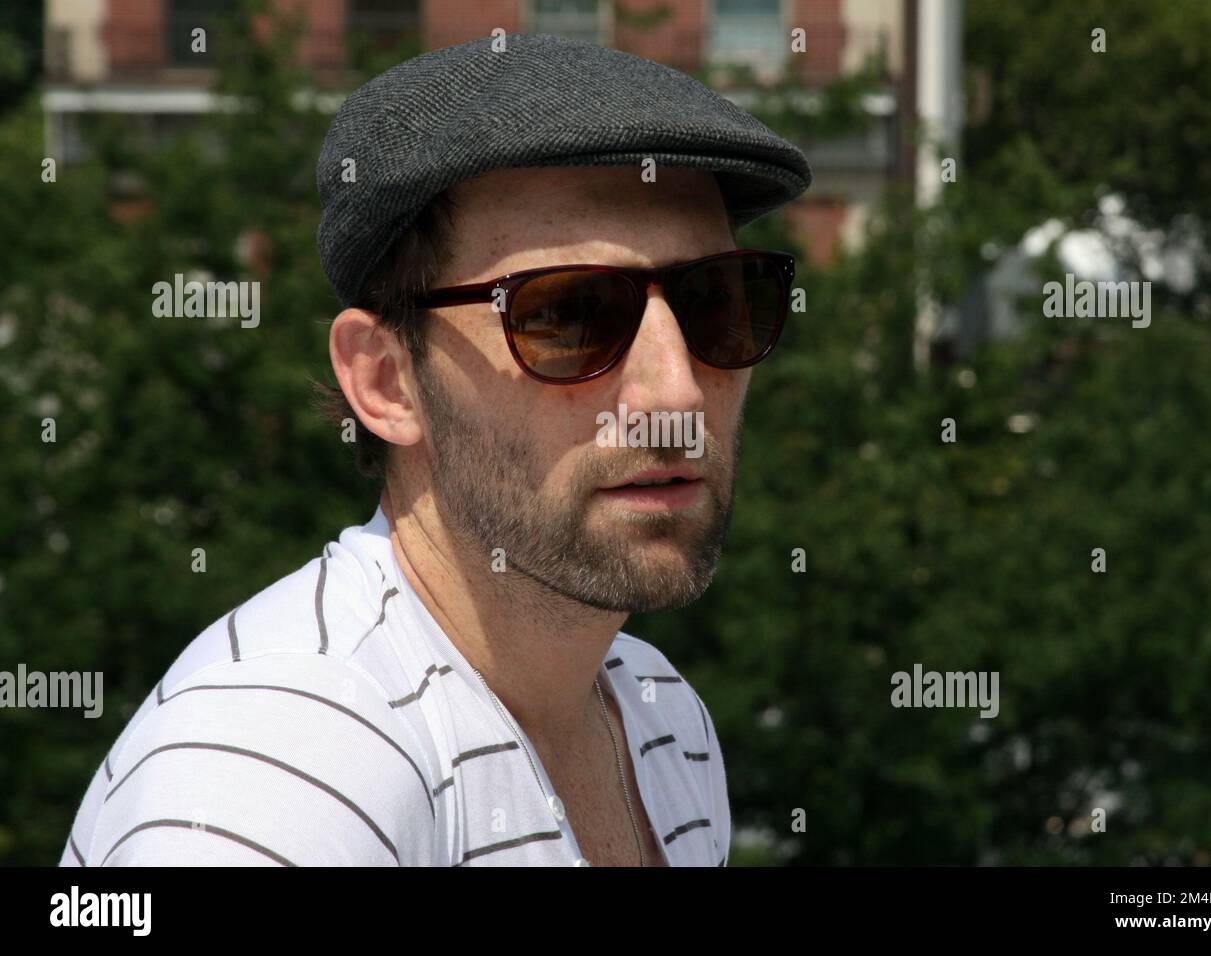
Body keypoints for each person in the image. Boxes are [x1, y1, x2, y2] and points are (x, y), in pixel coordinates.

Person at [60, 33, 811, 867]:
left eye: (718, 302)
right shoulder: (282, 762)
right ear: (386, 382)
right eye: (567, 316)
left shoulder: (663, 717)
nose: (675, 393)